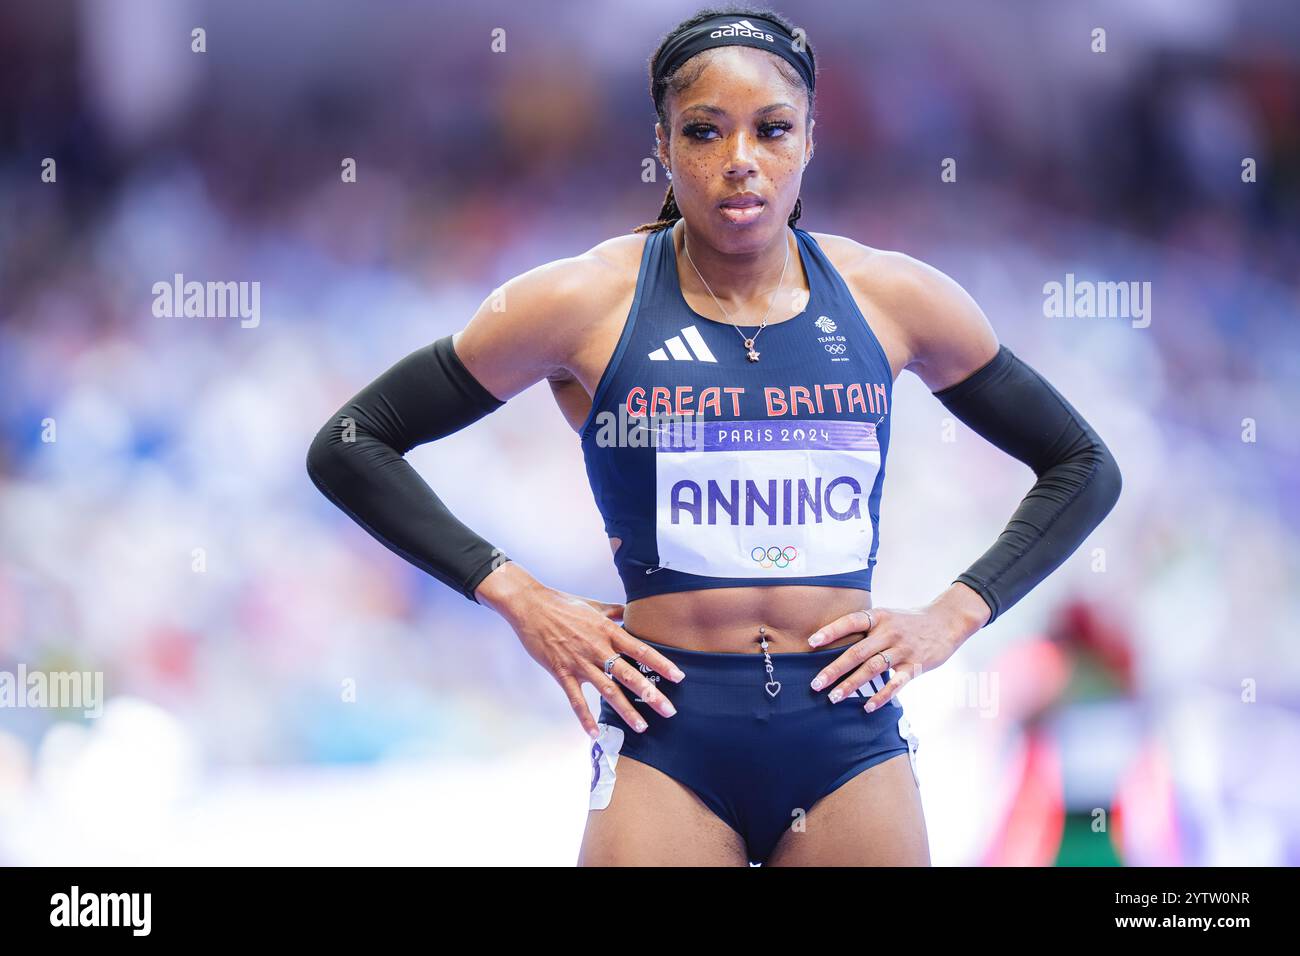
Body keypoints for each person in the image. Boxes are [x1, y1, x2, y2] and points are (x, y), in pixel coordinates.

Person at [305, 6, 1122, 866]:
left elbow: (1083, 464)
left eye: (773, 130)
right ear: (662, 142)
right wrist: (518, 596)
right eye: (705, 131)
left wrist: (954, 616)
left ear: (811, 140)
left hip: (847, 738)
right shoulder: (581, 301)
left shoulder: (897, 298)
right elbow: (353, 442)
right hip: (669, 735)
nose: (741, 163)